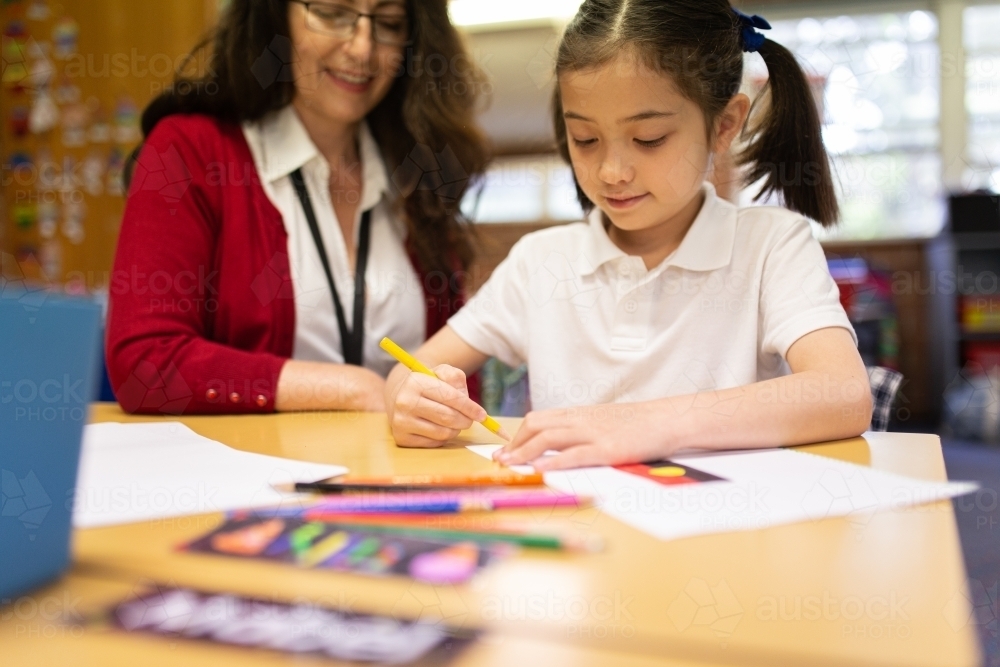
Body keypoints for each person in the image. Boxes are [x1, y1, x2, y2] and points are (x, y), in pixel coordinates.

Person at [385, 0, 872, 469]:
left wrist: (647, 422)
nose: (612, 171)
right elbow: (408, 369)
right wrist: (412, 398)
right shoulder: (542, 262)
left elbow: (843, 393)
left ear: (724, 125)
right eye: (586, 140)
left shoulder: (770, 245)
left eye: (648, 140)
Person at [106, 0, 489, 415]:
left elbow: (459, 370)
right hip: (249, 475)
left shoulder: (418, 172)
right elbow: (146, 363)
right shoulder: (188, 151)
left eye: (388, 23)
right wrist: (352, 390)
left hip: (399, 476)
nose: (362, 49)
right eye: (332, 13)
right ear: (274, 15)